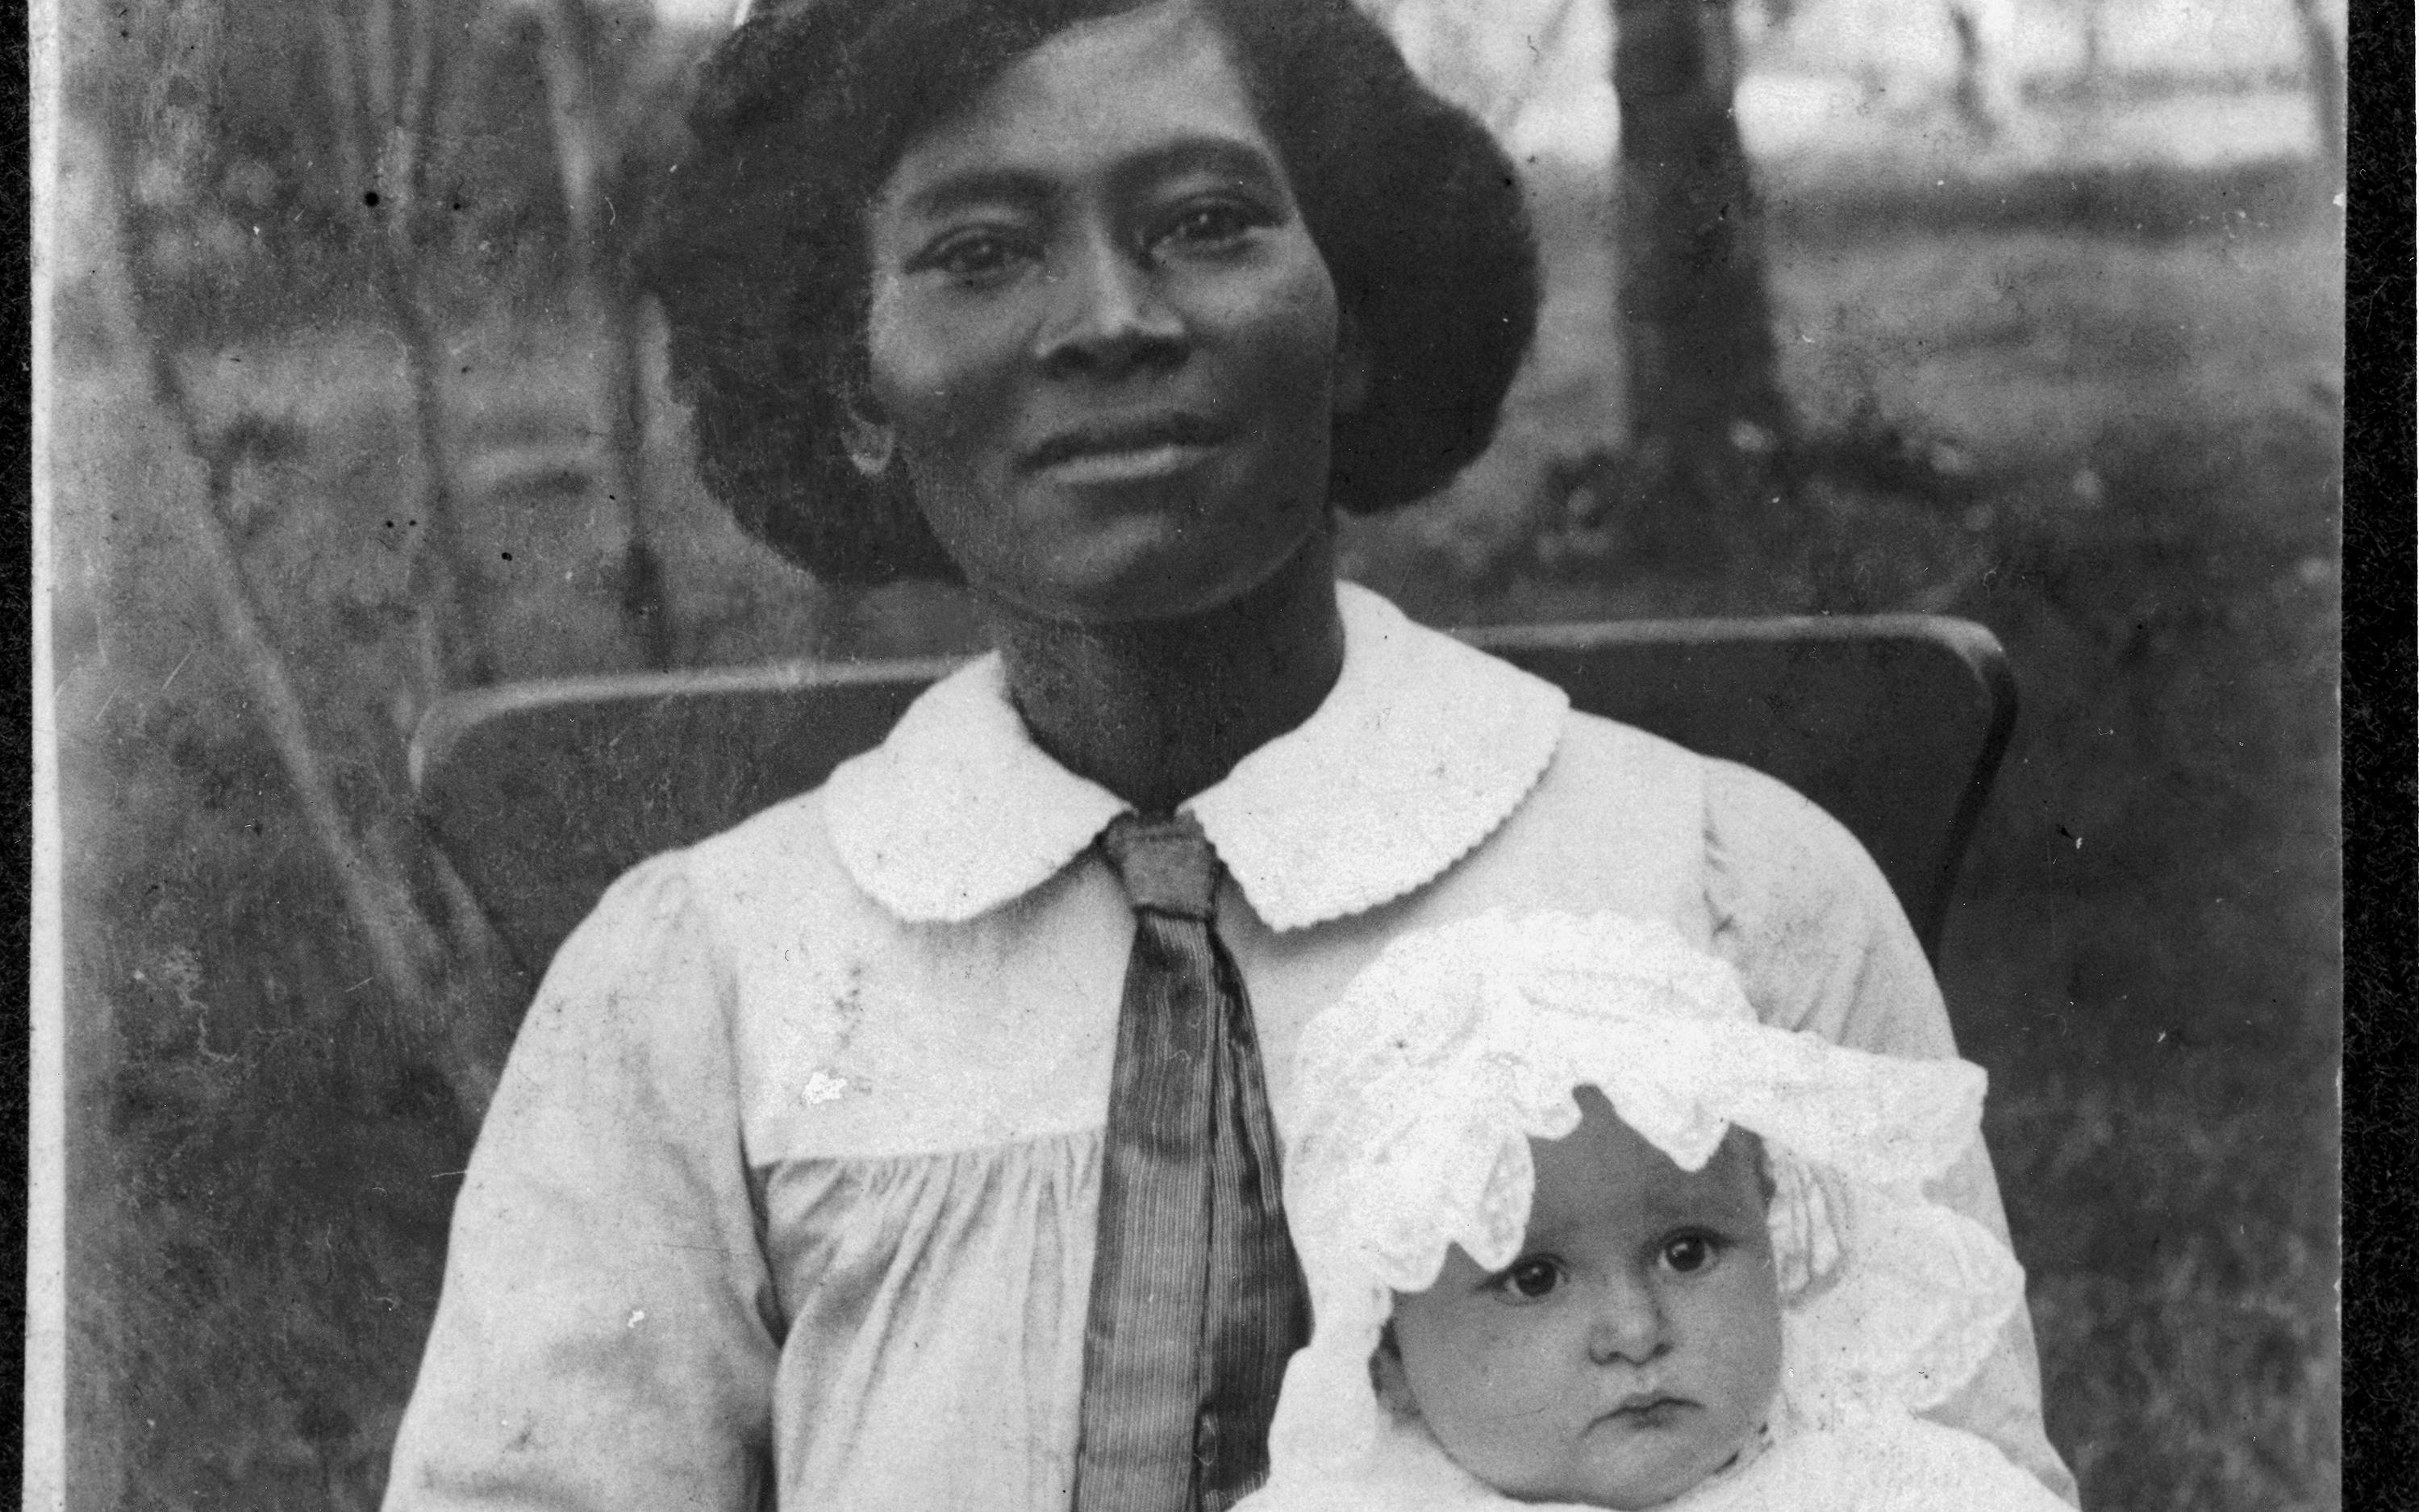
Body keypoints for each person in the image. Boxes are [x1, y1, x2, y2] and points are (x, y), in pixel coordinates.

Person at [382, 0, 2076, 1507]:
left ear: (1355, 325)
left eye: (1202, 223)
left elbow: (1939, 1467)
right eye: (979, 253)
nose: (1108, 319)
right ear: (852, 389)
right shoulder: (703, 978)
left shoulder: (1725, 888)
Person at [1232, 910, 2072, 1512]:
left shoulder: (1883, 1487)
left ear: (1768, 1219)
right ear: (1385, 1340)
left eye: (1686, 1251)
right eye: (1533, 1278)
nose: (1634, 1332)